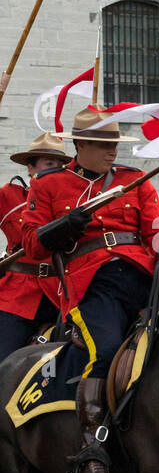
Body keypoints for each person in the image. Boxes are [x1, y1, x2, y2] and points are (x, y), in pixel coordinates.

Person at [22, 108, 159, 473]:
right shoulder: (49, 185)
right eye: (103, 145)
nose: (112, 152)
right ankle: (93, 449)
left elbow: (158, 228)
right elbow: (30, 244)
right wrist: (60, 228)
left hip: (144, 275)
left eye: (114, 145)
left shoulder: (134, 181)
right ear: (81, 145)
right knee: (105, 350)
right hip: (92, 281)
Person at [0, 132, 71, 358]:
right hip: (18, 296)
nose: (55, 169)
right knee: (5, 359)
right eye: (49, 164)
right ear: (30, 168)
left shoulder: (71, 200)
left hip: (60, 292)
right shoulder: (9, 196)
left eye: (60, 165)